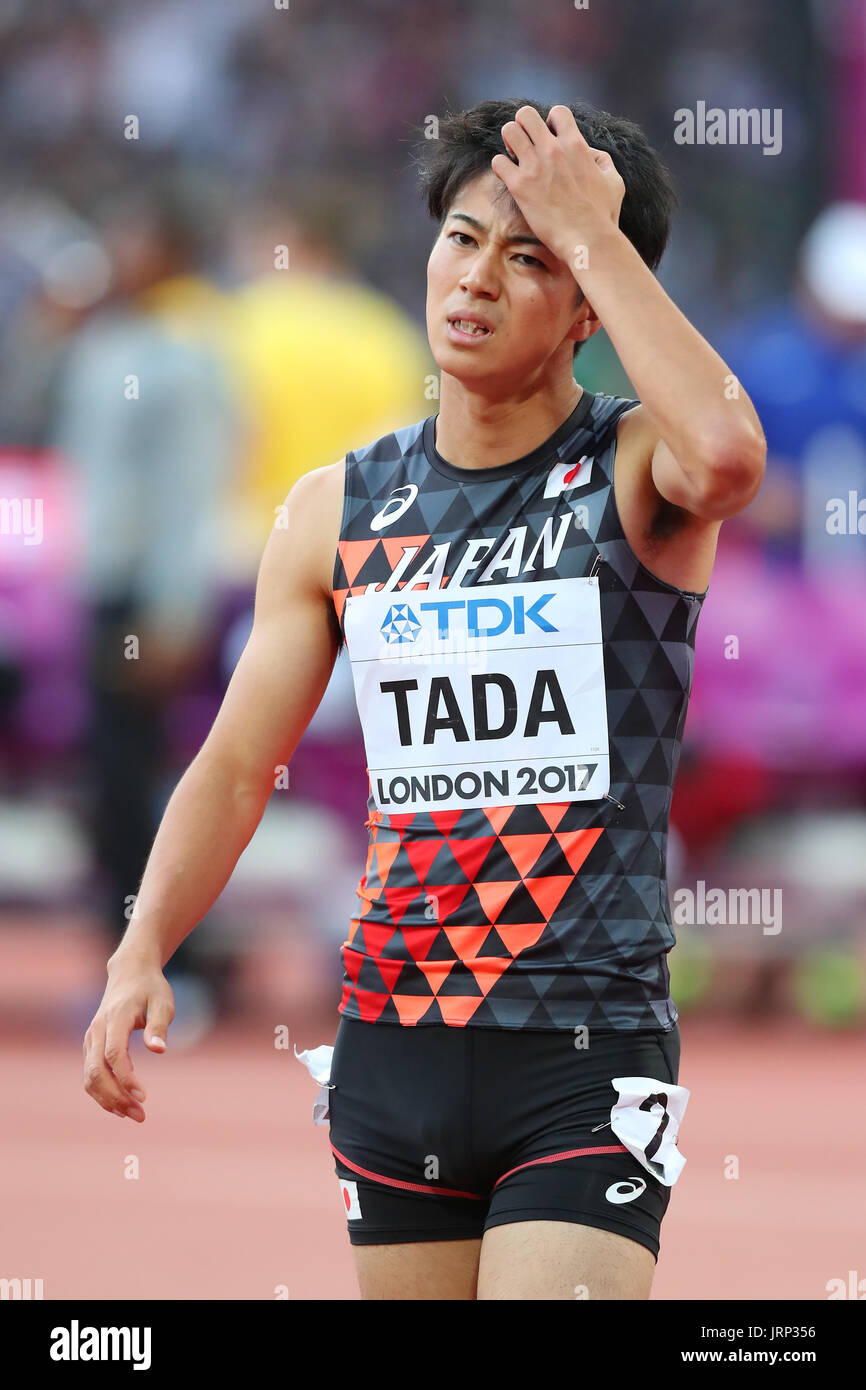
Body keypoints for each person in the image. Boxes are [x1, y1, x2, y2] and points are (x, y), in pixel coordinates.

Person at [82, 99, 766, 1300]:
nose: (476, 281)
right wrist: (141, 948)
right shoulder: (334, 509)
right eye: (460, 239)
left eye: (529, 256)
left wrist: (596, 233)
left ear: (589, 307)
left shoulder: (632, 470)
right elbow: (238, 765)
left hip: (582, 1043)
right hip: (394, 1040)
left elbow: (726, 456)